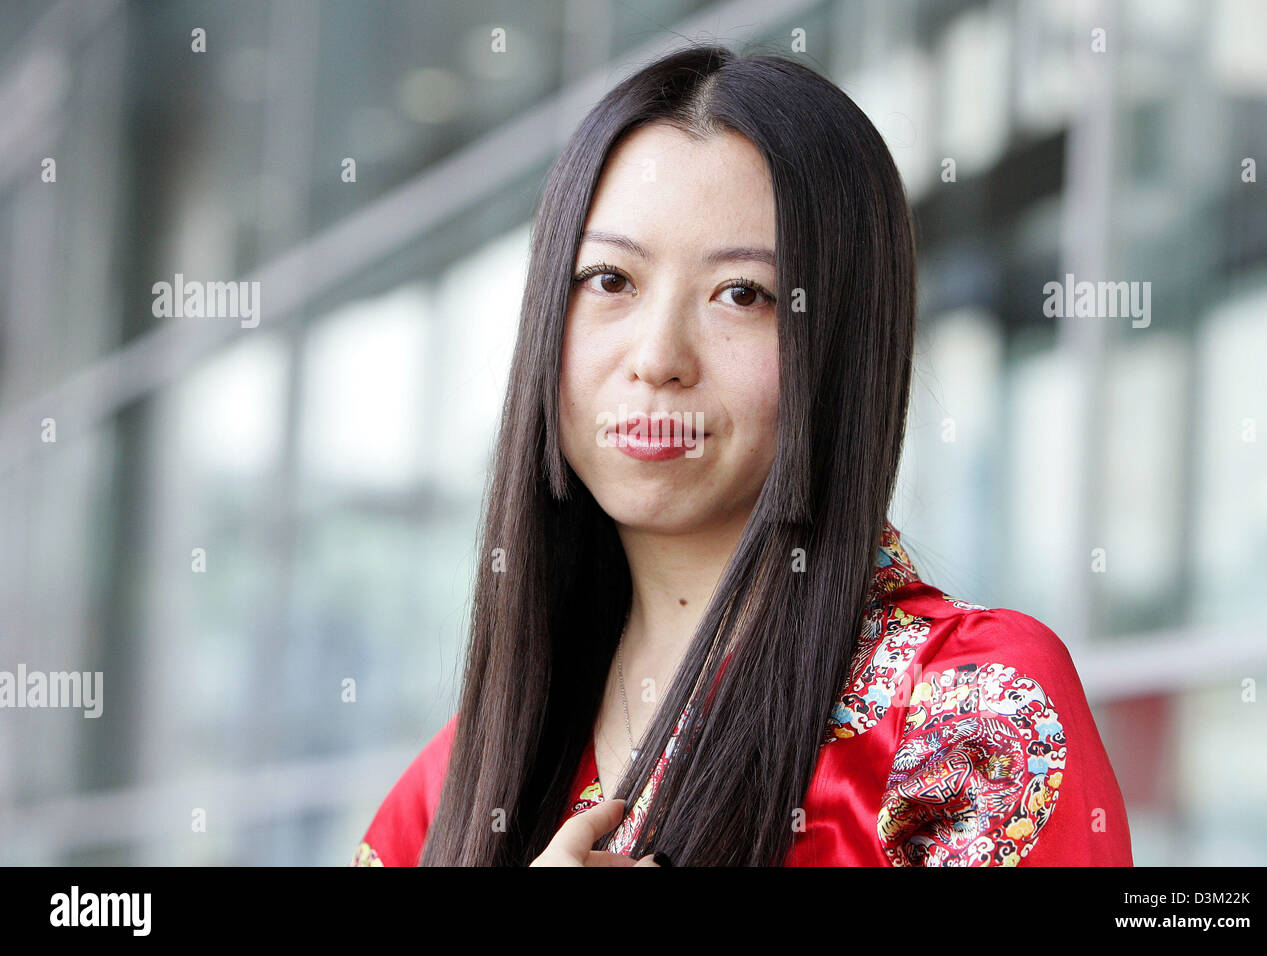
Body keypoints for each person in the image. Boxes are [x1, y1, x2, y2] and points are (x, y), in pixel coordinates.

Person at [350, 42, 1132, 867]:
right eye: (610, 280)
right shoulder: (454, 788)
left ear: (840, 345)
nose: (658, 357)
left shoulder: (974, 720)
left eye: (743, 294)